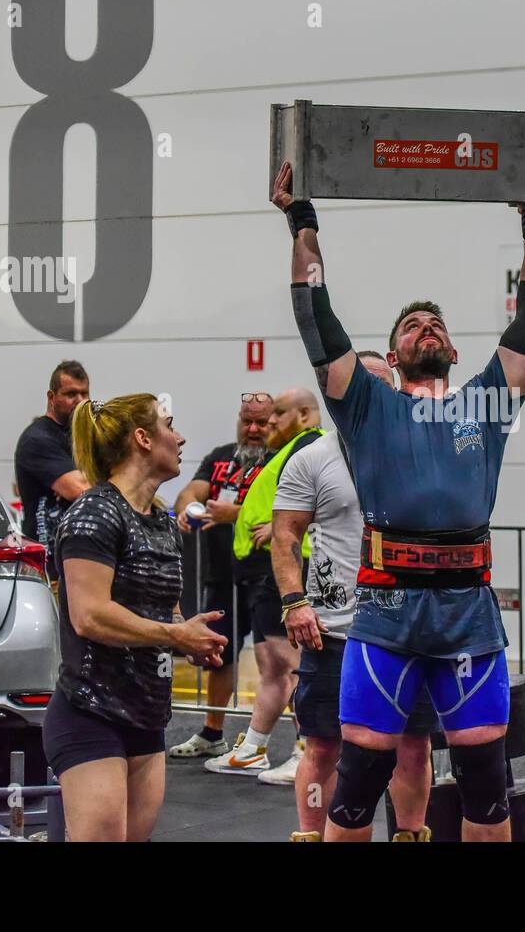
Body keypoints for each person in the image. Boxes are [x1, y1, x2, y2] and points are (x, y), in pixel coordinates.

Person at [272, 159, 525, 842]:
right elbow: (316, 315)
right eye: (411, 326)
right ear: (392, 357)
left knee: (488, 789)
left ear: (454, 349)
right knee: (355, 789)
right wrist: (301, 221)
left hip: (467, 616)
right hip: (387, 616)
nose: (425, 326)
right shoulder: (365, 406)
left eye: (435, 322)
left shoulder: (485, 404)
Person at [44, 394, 227, 841]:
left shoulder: (162, 521)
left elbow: (165, 609)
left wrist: (191, 634)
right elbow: (89, 616)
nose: (181, 437)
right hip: (91, 712)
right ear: (143, 439)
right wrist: (174, 635)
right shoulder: (94, 514)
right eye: (171, 425)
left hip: (147, 715)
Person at [272, 350, 438, 841]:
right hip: (334, 631)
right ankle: (311, 836)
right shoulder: (312, 459)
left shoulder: (423, 450)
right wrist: (294, 602)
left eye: (380, 385)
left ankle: (409, 834)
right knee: (324, 747)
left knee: (413, 745)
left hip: (410, 629)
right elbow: (284, 538)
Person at [204, 388, 324, 780]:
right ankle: (254, 748)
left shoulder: (316, 449)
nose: (269, 423)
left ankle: (308, 751)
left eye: (279, 414)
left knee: (291, 666)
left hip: (288, 568)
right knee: (272, 665)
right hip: (264, 571)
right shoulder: (293, 450)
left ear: (305, 415)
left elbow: (333, 501)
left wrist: (282, 525)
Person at [167, 392, 274, 758]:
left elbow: (287, 511)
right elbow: (191, 491)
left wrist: (236, 514)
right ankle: (213, 734)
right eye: (248, 421)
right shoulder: (220, 457)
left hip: (266, 574)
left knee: (272, 658)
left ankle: (261, 739)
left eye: (262, 422)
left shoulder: (284, 459)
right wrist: (189, 509)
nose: (254, 429)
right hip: (220, 574)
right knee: (218, 653)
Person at [14, 361, 91, 573]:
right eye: (71, 394)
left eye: (85, 393)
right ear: (52, 397)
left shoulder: (81, 437)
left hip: (78, 562)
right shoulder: (38, 438)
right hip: (48, 567)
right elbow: (81, 490)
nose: (80, 401)